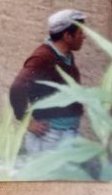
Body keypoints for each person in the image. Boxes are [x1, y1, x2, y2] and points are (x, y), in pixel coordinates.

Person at [9, 9, 87, 154]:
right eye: (80, 33)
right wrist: (26, 121)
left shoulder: (66, 55)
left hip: (65, 133)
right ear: (67, 36)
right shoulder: (43, 58)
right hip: (50, 137)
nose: (84, 36)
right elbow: (17, 87)